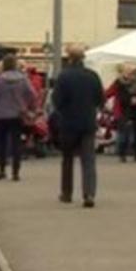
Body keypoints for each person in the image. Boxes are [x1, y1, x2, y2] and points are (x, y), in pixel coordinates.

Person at [53, 46, 104, 207]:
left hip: (68, 123)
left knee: (67, 159)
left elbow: (57, 101)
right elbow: (100, 99)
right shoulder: (93, 76)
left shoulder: (64, 76)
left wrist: (63, 111)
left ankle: (66, 193)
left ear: (69, 58)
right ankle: (89, 194)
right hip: (88, 122)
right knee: (88, 160)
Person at [0, 55, 36, 181]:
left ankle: (2, 170)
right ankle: (16, 172)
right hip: (17, 114)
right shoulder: (23, 79)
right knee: (16, 143)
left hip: (1, 115)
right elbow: (32, 94)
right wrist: (27, 106)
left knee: (1, 143)